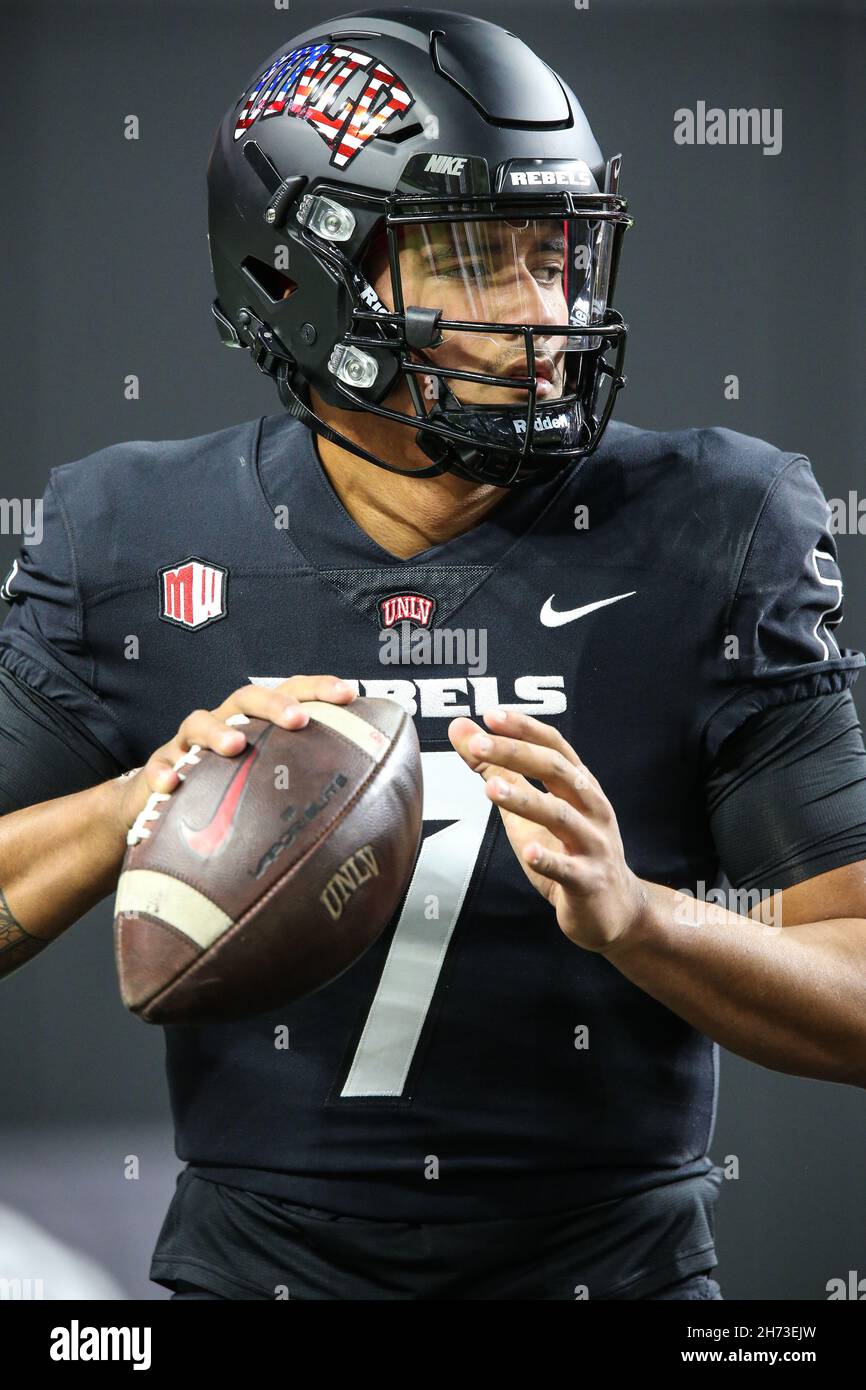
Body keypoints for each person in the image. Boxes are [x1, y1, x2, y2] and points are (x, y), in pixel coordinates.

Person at [2, 7, 866, 1301]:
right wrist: (139, 801)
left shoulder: (716, 521)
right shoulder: (131, 531)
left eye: (556, 253)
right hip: (258, 1275)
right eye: (473, 258)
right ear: (297, 278)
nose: (545, 312)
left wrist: (643, 920)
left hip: (607, 1279)